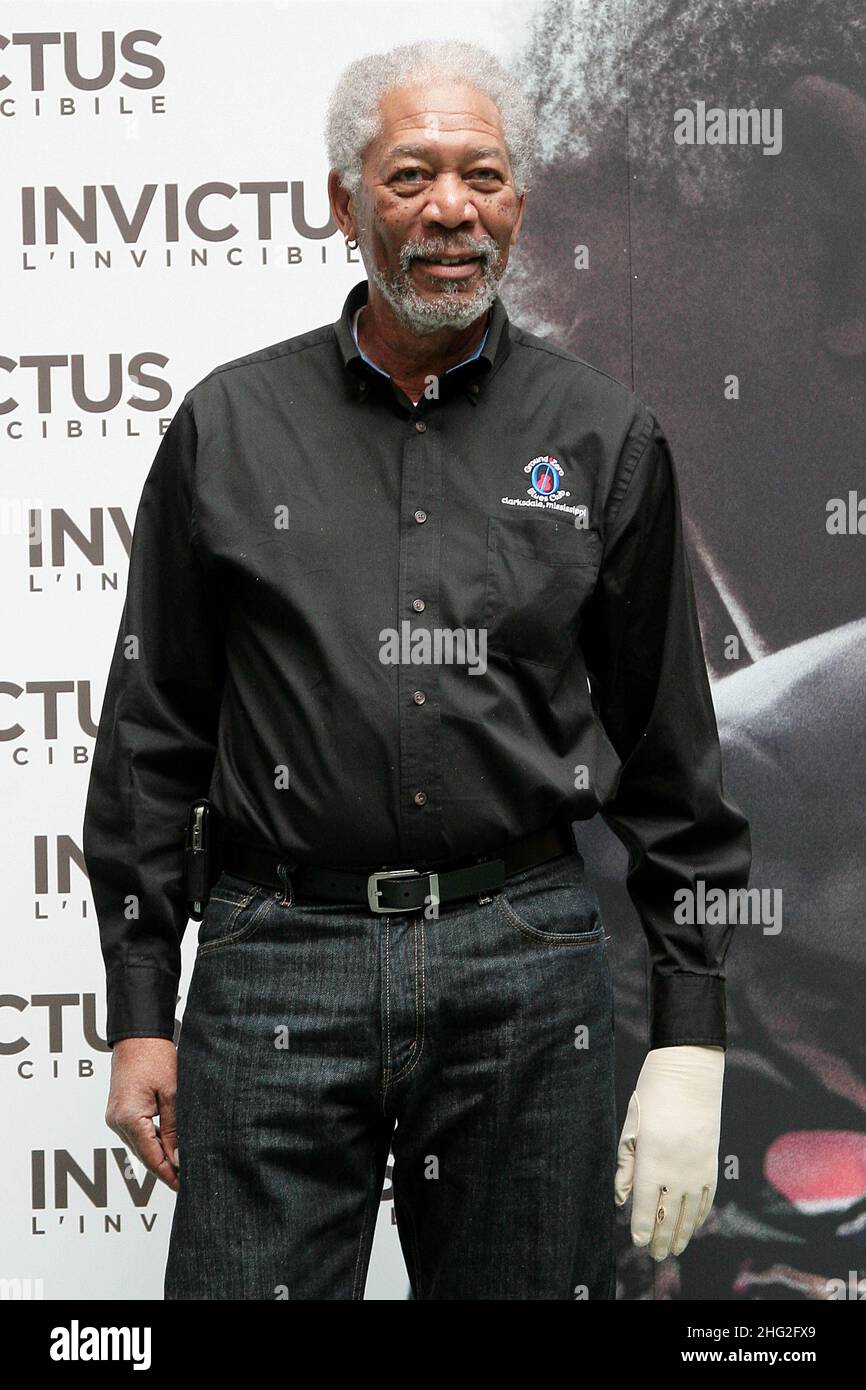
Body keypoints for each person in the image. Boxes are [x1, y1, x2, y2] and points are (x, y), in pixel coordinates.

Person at [82, 39, 751, 1301]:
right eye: (409, 177)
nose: (450, 209)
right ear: (344, 203)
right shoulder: (227, 429)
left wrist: (690, 1037)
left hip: (524, 962)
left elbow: (671, 765)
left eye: (482, 176)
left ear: (517, 204)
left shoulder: (602, 437)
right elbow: (152, 734)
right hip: (276, 954)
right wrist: (138, 1004)